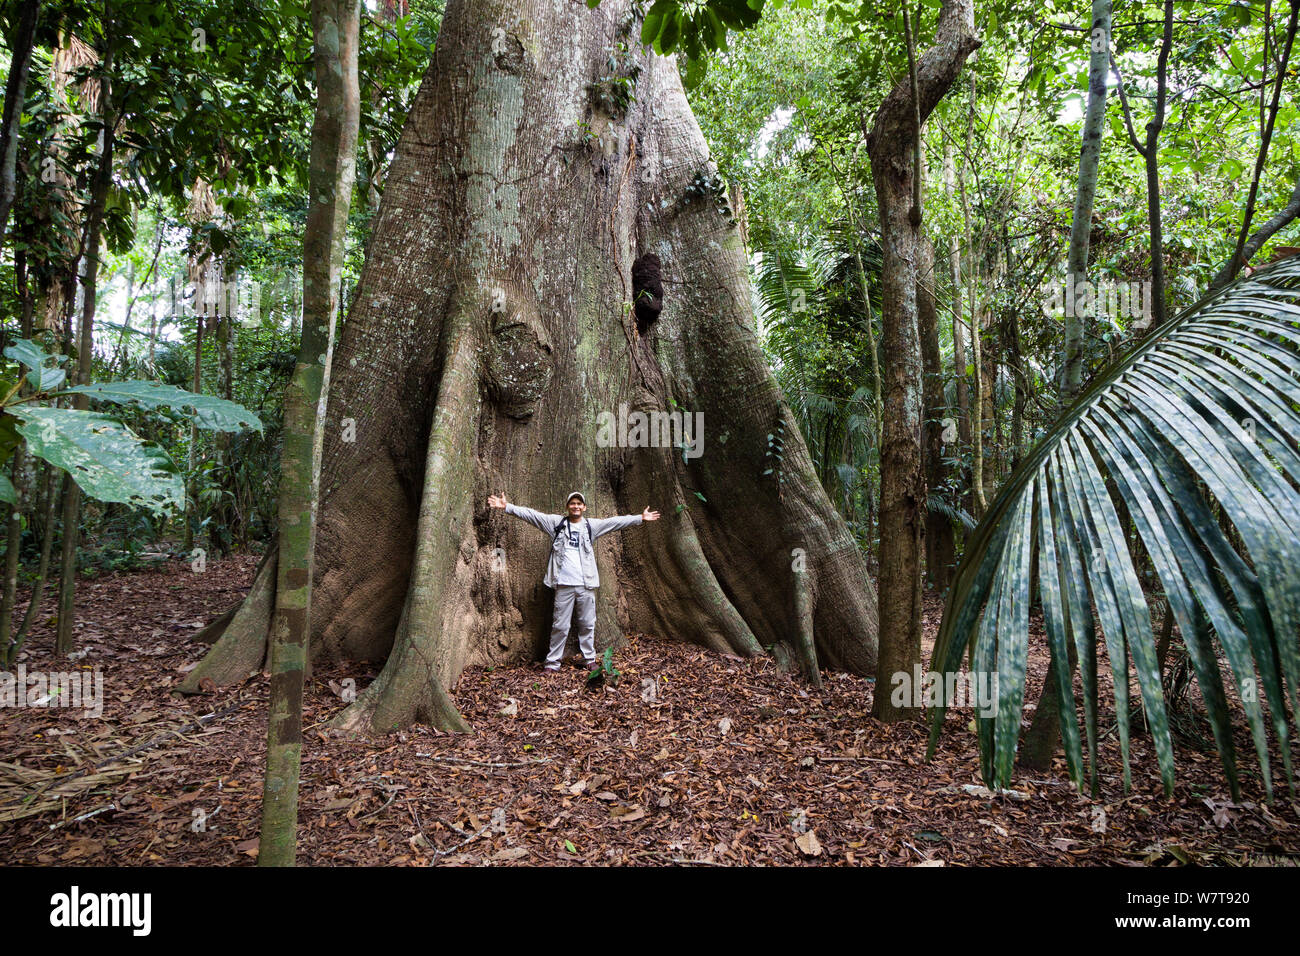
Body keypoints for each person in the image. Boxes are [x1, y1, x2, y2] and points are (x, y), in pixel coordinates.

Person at [488, 491, 659, 673]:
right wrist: (507, 507)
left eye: (579, 503)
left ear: (584, 507)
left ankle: (589, 659)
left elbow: (615, 522)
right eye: (572, 503)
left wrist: (640, 518)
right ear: (567, 507)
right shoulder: (557, 523)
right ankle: (553, 663)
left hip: (586, 584)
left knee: (587, 623)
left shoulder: (591, 526)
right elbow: (533, 516)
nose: (576, 506)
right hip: (563, 585)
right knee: (560, 625)